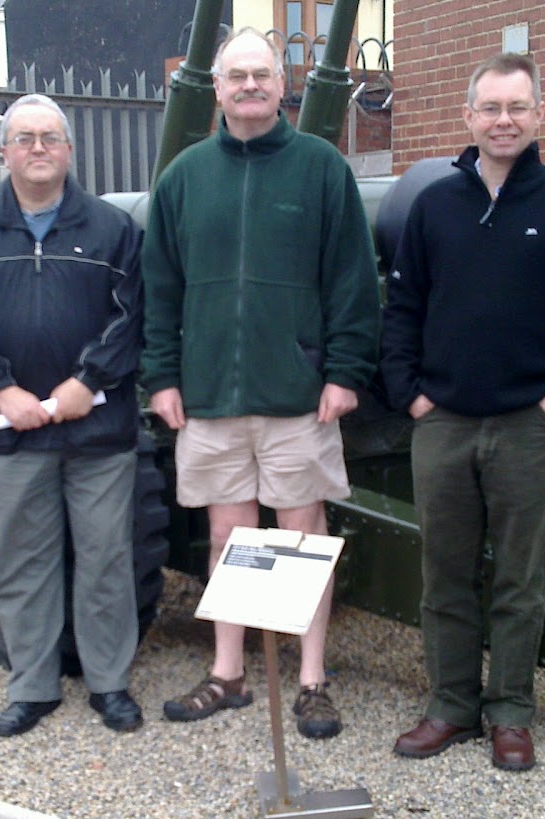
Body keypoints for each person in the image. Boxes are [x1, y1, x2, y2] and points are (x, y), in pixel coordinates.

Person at [381, 53, 545, 770]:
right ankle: (451, 706)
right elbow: (402, 310)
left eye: (516, 108)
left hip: (532, 425)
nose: (503, 121)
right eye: (490, 108)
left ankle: (511, 712)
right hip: (445, 424)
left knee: (522, 580)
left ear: (538, 116)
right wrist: (413, 395)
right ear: (468, 118)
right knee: (446, 574)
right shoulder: (436, 206)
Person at [141, 27, 380, 740]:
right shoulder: (183, 177)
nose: (249, 85)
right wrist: (160, 375)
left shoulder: (321, 169)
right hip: (211, 393)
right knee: (226, 535)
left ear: (283, 86)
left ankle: (311, 681)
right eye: (236, 75)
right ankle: (229, 673)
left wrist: (344, 372)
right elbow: (161, 287)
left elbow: (352, 282)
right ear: (216, 88)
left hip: (297, 393)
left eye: (262, 74)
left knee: (302, 536)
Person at [0, 93, 146, 737]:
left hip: (98, 428)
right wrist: (1, 390)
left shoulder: (112, 229)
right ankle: (32, 686)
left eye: (50, 137)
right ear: (4, 153)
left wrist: (89, 380)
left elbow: (134, 314)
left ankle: (109, 683)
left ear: (69, 149)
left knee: (106, 557)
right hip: (13, 428)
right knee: (22, 559)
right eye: (24, 139)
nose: (38, 149)